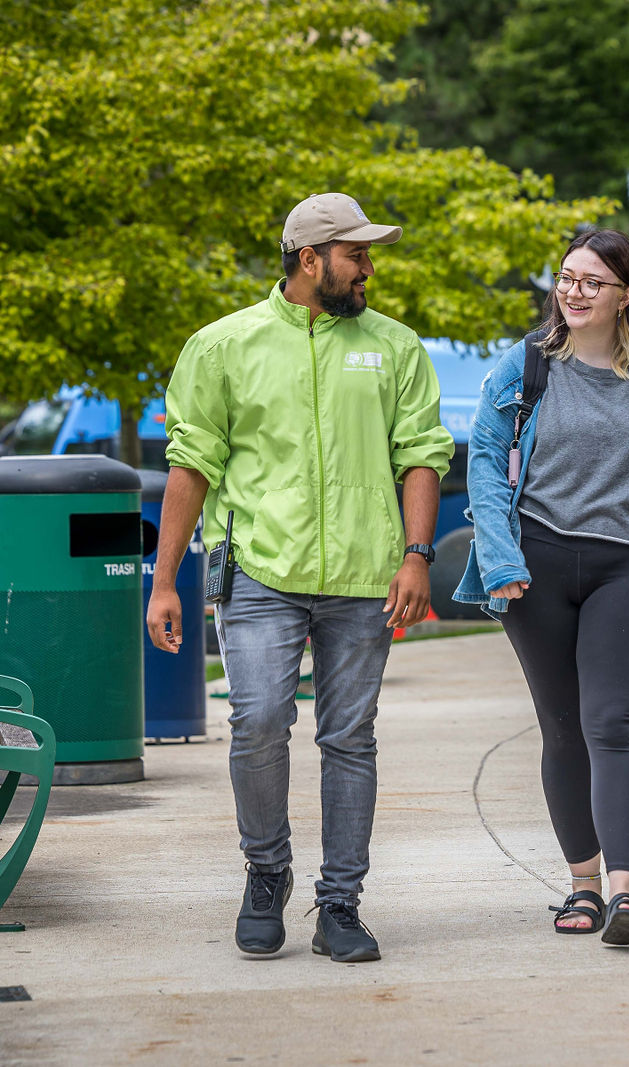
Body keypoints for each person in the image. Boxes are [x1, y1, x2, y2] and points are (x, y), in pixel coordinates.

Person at [147, 192, 454, 963]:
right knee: (256, 720)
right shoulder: (223, 346)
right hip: (260, 573)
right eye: (357, 255)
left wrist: (417, 555)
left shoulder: (395, 346)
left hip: (365, 576)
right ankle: (267, 869)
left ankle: (341, 903)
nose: (369, 269)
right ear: (309, 259)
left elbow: (420, 453)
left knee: (350, 738)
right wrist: (163, 581)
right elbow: (192, 464)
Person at [454, 229, 629, 945]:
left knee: (615, 720)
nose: (573, 292)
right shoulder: (528, 365)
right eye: (566, 278)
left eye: (591, 282)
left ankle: (626, 892)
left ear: (626, 294)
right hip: (536, 562)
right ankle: (580, 883)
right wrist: (500, 556)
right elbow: (484, 459)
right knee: (564, 725)